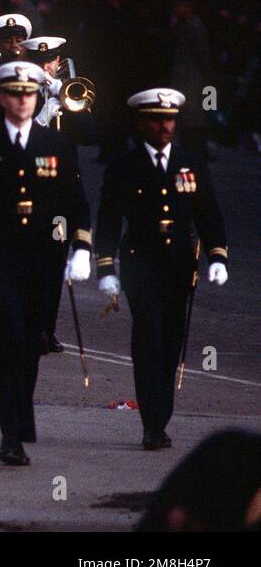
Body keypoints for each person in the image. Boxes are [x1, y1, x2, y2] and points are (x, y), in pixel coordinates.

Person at [0, 61, 93, 466]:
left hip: (44, 259)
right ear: (3, 97)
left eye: (29, 94)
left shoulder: (53, 144)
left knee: (34, 340)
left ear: (37, 97)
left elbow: (75, 203)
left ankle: (23, 415)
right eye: (15, 94)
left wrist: (83, 248)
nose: (23, 100)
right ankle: (10, 433)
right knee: (10, 340)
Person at [95, 88, 228, 450]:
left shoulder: (190, 162)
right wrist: (105, 267)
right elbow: (108, 220)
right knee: (148, 338)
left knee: (171, 342)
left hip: (179, 264)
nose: (164, 126)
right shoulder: (125, 165)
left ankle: (161, 415)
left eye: (169, 119)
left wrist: (217, 255)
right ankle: (152, 423)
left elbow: (208, 212)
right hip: (141, 262)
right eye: (157, 119)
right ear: (142, 123)